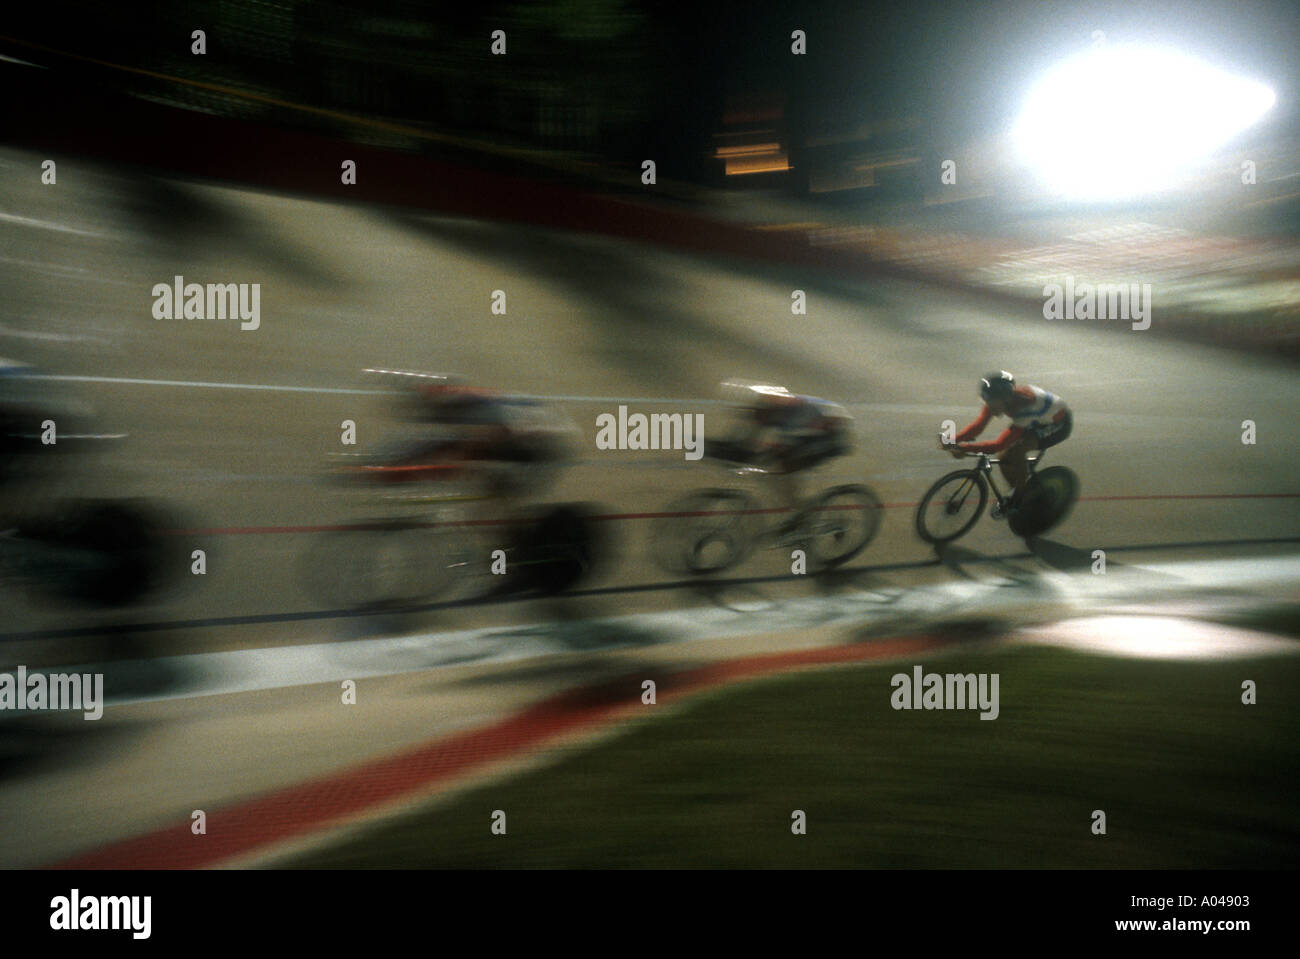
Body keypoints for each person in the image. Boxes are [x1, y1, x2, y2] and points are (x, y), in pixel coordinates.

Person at [713, 381, 852, 534]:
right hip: (807, 434)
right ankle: (797, 508)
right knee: (775, 465)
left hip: (828, 437)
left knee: (784, 466)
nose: (752, 415)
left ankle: (801, 513)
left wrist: (766, 450)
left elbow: (787, 444)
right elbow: (744, 443)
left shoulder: (789, 410)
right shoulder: (761, 412)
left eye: (754, 410)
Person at [945, 370, 1072, 514]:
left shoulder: (1025, 408)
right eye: (987, 401)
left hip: (1059, 424)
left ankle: (1020, 496)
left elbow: (998, 445)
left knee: (1015, 451)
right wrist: (951, 440)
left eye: (993, 403)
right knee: (1004, 457)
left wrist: (965, 448)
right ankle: (1018, 489)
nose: (989, 407)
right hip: (1040, 419)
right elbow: (978, 427)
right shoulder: (998, 400)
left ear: (1006, 399)